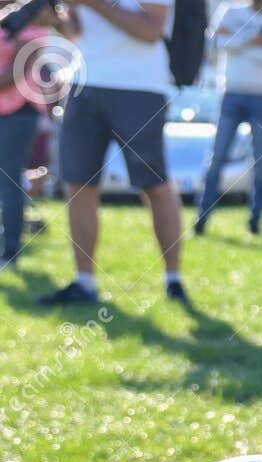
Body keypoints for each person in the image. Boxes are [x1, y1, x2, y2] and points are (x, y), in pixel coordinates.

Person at [36, 0, 188, 305]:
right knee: (78, 184)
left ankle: (173, 279)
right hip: (83, 83)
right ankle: (84, 282)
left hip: (140, 88)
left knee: (154, 183)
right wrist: (55, 19)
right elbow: (75, 32)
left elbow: (150, 30)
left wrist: (94, 3)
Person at [195, 0, 262, 237]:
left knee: (261, 159)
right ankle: (202, 216)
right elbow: (216, 42)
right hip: (231, 93)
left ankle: (255, 219)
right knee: (217, 156)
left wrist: (236, 41)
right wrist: (253, 40)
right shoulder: (229, 10)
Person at [0, 0, 61, 265]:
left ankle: (10, 250)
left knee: (10, 180)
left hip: (19, 112)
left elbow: (13, 76)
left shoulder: (34, 34)